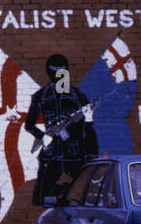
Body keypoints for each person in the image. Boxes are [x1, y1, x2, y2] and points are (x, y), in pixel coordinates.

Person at [26, 53, 99, 205]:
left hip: (74, 153)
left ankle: (66, 194)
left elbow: (89, 130)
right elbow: (29, 125)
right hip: (53, 152)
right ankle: (61, 196)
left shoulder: (78, 96)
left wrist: (89, 118)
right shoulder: (40, 96)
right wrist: (43, 136)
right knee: (40, 198)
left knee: (89, 193)